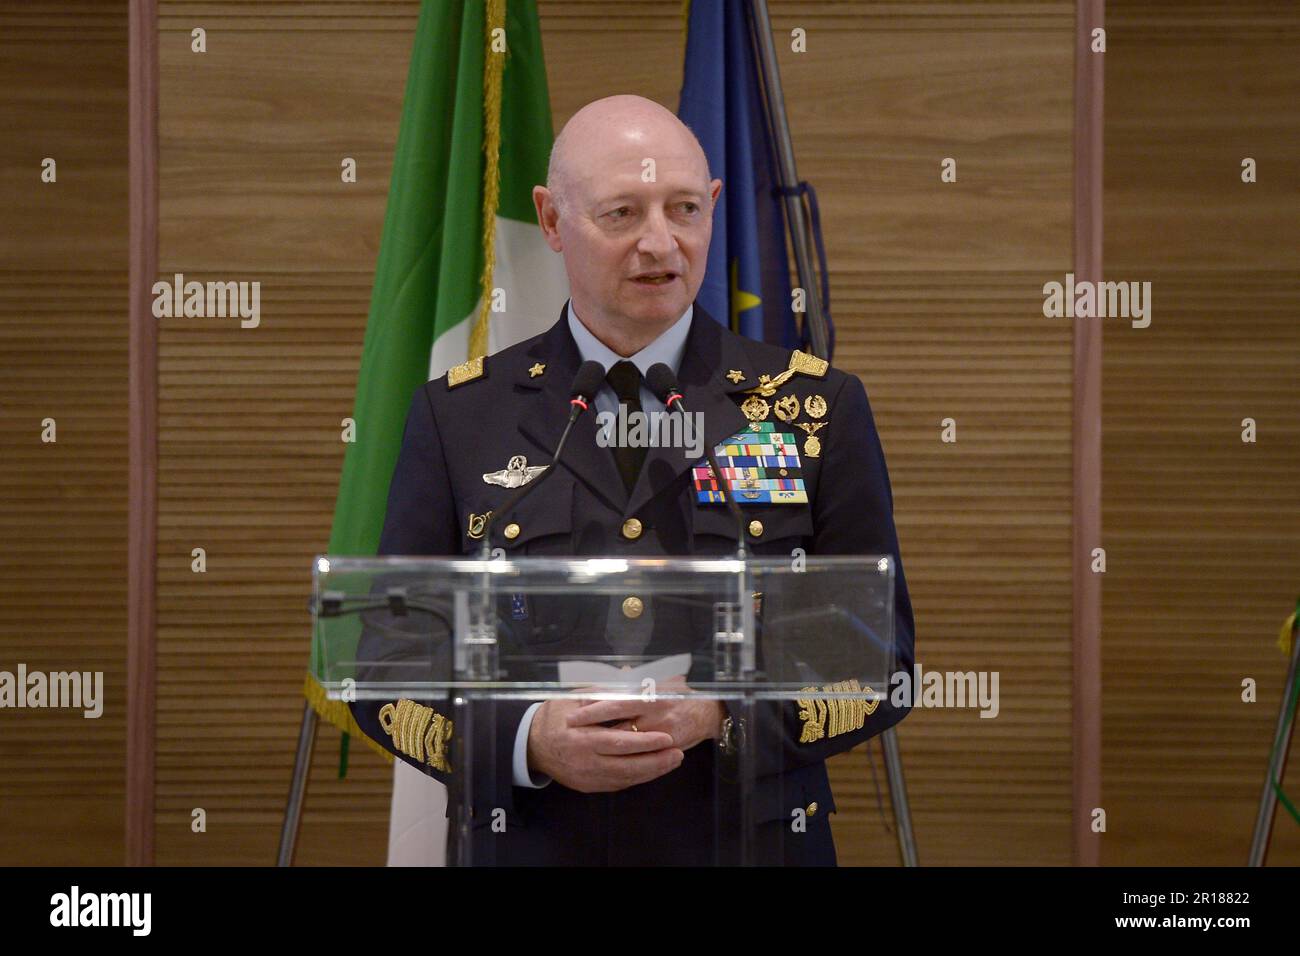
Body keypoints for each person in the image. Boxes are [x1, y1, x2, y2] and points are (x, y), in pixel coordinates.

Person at [349, 94, 914, 865]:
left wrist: (724, 712)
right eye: (622, 213)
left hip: (749, 844)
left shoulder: (812, 407)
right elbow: (389, 667)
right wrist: (528, 741)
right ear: (551, 221)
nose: (661, 244)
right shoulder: (460, 416)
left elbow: (878, 664)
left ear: (715, 206)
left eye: (685, 209)